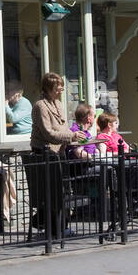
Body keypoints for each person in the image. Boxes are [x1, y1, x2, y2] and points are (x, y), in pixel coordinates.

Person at [28, 73, 89, 235]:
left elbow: (63, 128)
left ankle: (61, 227)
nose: (61, 88)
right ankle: (52, 227)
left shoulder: (58, 104)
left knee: (63, 191)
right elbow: (48, 133)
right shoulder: (40, 106)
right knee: (51, 193)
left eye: (61, 85)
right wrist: (71, 136)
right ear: (49, 88)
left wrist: (76, 136)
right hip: (44, 154)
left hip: (59, 153)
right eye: (58, 86)